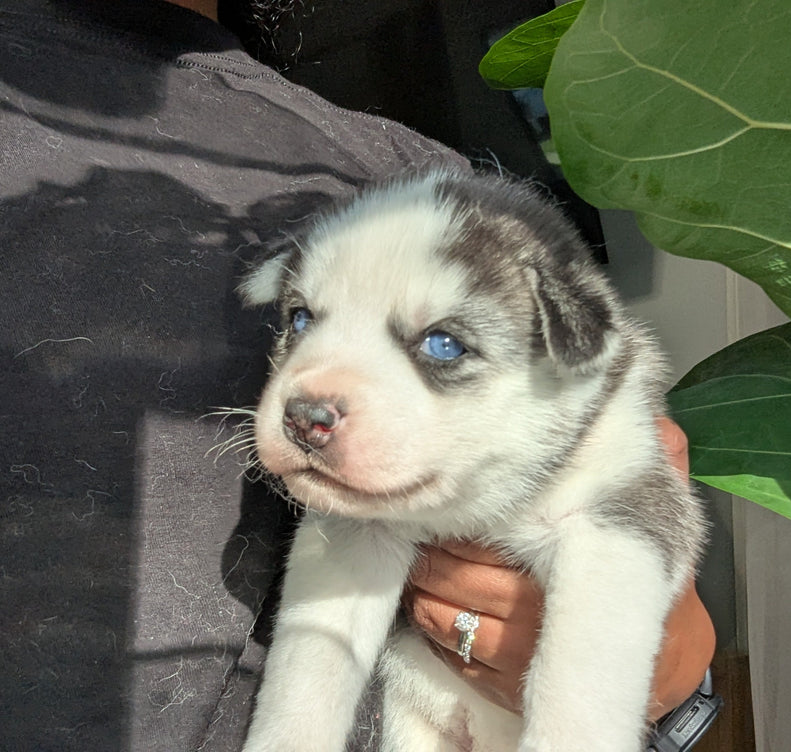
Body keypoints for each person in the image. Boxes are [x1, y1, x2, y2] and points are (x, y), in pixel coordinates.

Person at [0, 0, 714, 749]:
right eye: (303, 319)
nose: (311, 401)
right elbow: (344, 555)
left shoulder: (406, 172)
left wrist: (673, 692)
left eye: (441, 346)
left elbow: (635, 593)